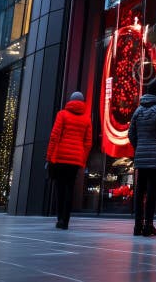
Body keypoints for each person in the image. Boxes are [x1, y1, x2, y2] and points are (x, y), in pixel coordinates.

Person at [128, 78, 156, 237]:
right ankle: (148, 225)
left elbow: (131, 133)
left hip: (140, 156)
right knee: (152, 192)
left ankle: (137, 226)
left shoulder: (138, 111)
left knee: (139, 191)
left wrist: (139, 146)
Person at [46, 91, 92, 230]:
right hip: (75, 160)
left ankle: (60, 219)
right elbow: (88, 143)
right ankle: (66, 221)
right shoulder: (86, 119)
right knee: (69, 189)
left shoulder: (62, 114)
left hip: (60, 158)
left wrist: (49, 157)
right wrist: (82, 160)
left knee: (60, 189)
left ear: (70, 101)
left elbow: (54, 136)